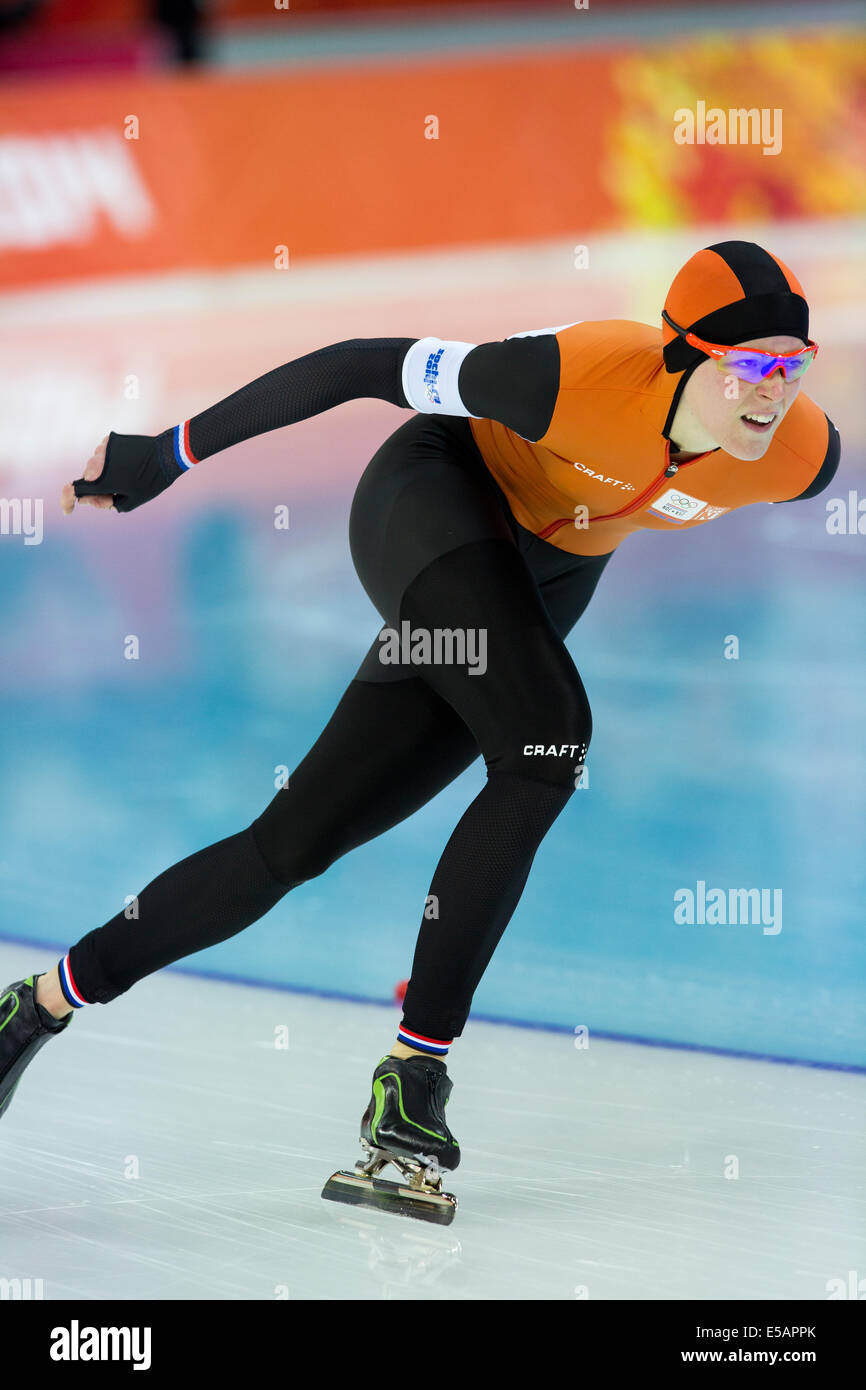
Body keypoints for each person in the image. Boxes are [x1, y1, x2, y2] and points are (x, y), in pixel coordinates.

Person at [0, 241, 840, 1209]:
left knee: (293, 840)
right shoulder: (566, 377)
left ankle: (45, 999)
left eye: (793, 365)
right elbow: (360, 363)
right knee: (547, 737)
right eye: (751, 367)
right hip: (431, 503)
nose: (773, 393)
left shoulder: (796, 455)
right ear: (681, 354)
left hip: (532, 583)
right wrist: (170, 450)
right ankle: (414, 1075)